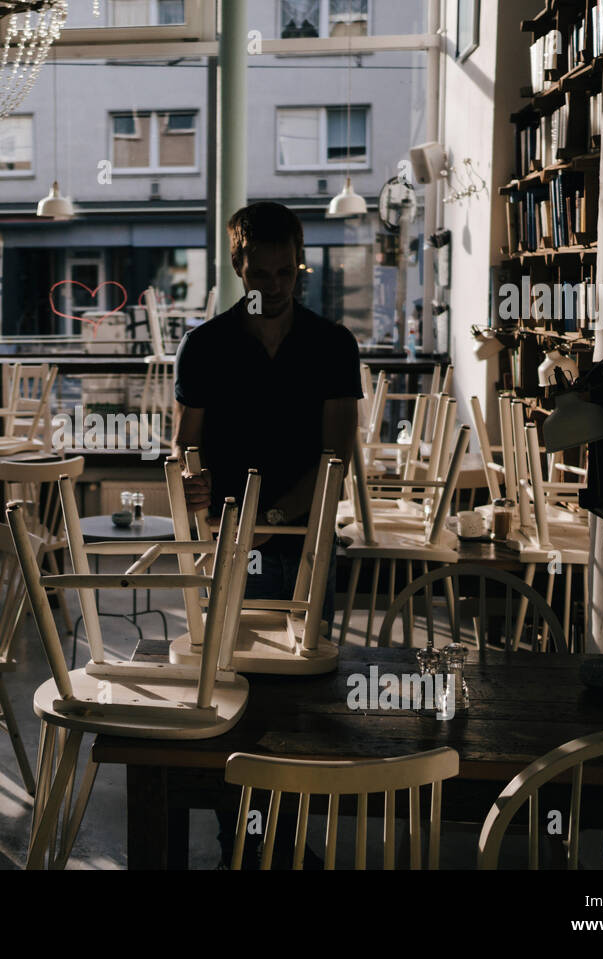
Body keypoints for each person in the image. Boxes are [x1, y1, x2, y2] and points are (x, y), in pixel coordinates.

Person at [172, 201, 362, 866]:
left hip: (305, 543)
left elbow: (339, 457)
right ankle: (242, 847)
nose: (277, 283)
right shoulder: (205, 345)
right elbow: (184, 446)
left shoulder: (333, 344)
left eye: (288, 270)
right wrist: (192, 481)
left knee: (306, 707)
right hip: (227, 546)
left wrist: (272, 520)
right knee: (233, 700)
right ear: (238, 265)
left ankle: (288, 839)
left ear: (299, 264)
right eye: (263, 270)